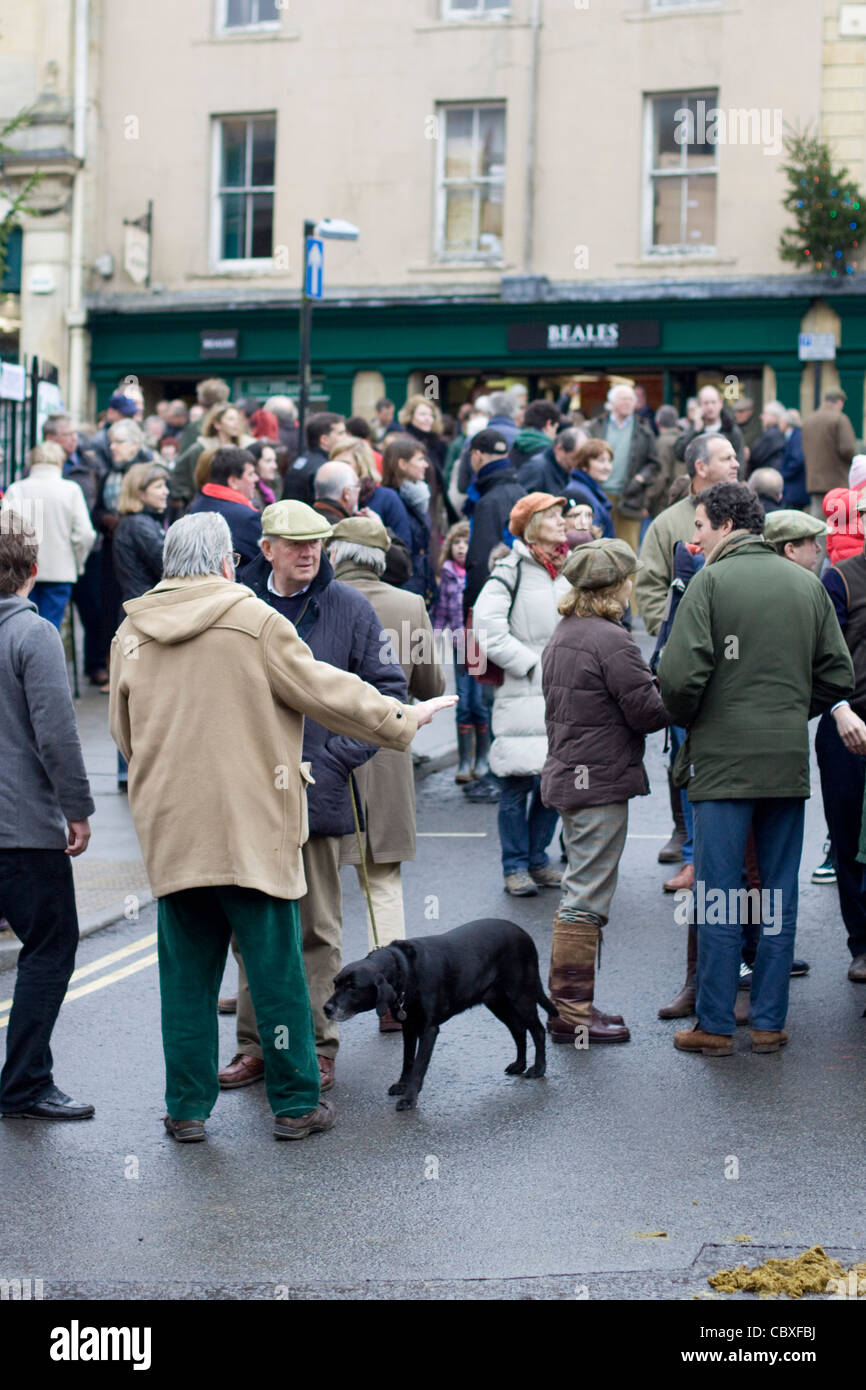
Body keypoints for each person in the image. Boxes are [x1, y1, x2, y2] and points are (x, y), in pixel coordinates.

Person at [110, 510, 453, 1141]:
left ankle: (186, 1110)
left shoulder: (131, 631)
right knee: (278, 972)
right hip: (253, 826)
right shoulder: (254, 621)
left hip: (172, 830)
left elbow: (124, 737)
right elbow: (329, 691)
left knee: (186, 982)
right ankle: (296, 1104)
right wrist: (402, 718)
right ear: (226, 562)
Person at [658, 482, 856, 1056]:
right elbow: (837, 677)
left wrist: (698, 718)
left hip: (721, 763)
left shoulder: (710, 583)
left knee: (720, 894)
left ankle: (716, 1026)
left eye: (698, 525)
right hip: (785, 761)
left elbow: (678, 678)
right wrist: (791, 709)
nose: (693, 537)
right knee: (776, 893)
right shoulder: (805, 584)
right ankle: (768, 1022)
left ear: (723, 525)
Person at [220, 501, 410, 1094]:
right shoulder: (237, 607)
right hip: (251, 796)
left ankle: (318, 1047)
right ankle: (255, 1048)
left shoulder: (349, 607)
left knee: (318, 932)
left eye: (318, 543)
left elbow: (389, 691)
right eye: (295, 544)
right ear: (267, 548)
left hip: (320, 795)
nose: (309, 553)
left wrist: (333, 762)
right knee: (254, 930)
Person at [541, 539, 670, 1043]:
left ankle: (572, 1006)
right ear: (618, 586)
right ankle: (572, 1012)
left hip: (573, 775)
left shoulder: (566, 632)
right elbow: (649, 712)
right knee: (585, 897)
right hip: (597, 782)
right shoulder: (611, 639)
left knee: (579, 888)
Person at [328, 513, 445, 1014]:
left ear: (336, 554)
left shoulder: (312, 603)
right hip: (386, 755)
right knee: (383, 883)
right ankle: (394, 999)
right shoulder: (408, 604)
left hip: (320, 758)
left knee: (317, 890)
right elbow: (431, 687)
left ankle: (317, 999)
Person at [0, 512, 95, 1121]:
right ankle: (25, 1083)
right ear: (32, 572)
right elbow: (57, 737)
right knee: (50, 947)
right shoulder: (31, 635)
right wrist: (78, 810)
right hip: (21, 828)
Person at [471, 493, 570, 897]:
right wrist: (530, 664)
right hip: (522, 692)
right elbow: (486, 628)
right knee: (516, 782)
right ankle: (514, 866)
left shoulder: (563, 568)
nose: (563, 522)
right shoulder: (508, 573)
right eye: (554, 517)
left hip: (562, 693)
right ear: (532, 527)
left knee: (553, 782)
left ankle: (537, 859)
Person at [818, 490, 866, 984]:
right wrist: (839, 708)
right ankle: (862, 943)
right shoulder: (839, 580)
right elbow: (822, 655)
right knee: (849, 836)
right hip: (848, 722)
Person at [635, 433, 741, 637]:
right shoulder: (666, 524)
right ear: (701, 467)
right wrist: (676, 637)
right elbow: (650, 589)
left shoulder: (748, 516)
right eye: (726, 459)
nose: (736, 464)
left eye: (734, 457)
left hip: (739, 644)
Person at [42, 413, 108, 685]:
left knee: (93, 607)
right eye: (67, 434)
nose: (74, 439)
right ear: (51, 438)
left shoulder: (89, 461)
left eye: (74, 433)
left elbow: (100, 497)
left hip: (88, 546)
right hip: (57, 548)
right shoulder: (41, 463)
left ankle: (94, 664)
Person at [2, 443, 95, 631]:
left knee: (18, 625)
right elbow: (85, 534)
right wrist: (77, 563)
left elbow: (7, 532)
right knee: (50, 627)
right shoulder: (71, 490)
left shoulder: (18, 489)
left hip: (22, 571)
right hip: (59, 570)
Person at [431, 519, 489, 783]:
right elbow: (441, 610)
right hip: (459, 647)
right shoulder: (448, 574)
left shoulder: (480, 573)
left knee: (480, 703)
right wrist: (432, 637)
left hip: (481, 646)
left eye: (466, 542)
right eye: (457, 542)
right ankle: (464, 761)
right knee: (463, 703)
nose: (462, 548)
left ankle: (483, 758)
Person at [585, 385, 659, 552]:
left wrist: (640, 479)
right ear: (611, 402)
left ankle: (629, 580)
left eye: (631, 399)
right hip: (599, 494)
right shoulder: (596, 426)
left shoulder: (644, 429)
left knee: (628, 550)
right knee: (598, 547)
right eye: (623, 398)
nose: (628, 402)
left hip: (631, 496)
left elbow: (654, 464)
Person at [462, 429, 526, 616]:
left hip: (493, 601)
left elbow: (480, 561)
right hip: (516, 593)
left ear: (478, 455)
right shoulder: (520, 491)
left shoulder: (488, 501)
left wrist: (470, 609)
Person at [188, 445, 261, 572]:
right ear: (233, 481)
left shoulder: (197, 505)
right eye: (250, 474)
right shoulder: (247, 517)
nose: (256, 478)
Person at [379, 436, 435, 603]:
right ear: (402, 464)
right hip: (401, 589)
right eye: (420, 459)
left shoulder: (419, 499)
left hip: (420, 586)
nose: (426, 465)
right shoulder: (387, 499)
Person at [170, 402, 249, 512]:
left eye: (238, 419)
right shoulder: (201, 448)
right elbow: (191, 480)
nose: (236, 423)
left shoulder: (241, 449)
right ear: (217, 424)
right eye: (231, 419)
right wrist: (187, 497)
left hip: (234, 503)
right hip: (207, 506)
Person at [112, 464, 169, 603]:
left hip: (142, 602)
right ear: (140, 493)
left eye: (165, 486)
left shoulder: (141, 521)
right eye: (158, 487)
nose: (166, 491)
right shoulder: (139, 525)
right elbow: (166, 564)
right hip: (144, 606)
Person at [802, 389, 857, 517]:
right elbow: (847, 449)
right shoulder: (840, 419)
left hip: (814, 481)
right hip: (837, 480)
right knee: (839, 521)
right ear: (839, 402)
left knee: (818, 519)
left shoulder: (809, 419)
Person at [674, 384, 746, 472]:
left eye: (713, 402)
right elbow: (680, 455)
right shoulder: (694, 429)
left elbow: (740, 462)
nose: (710, 407)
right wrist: (695, 430)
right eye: (706, 403)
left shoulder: (732, 431)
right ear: (699, 406)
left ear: (720, 404)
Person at [282, 412, 348, 504]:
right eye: (341, 433)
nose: (346, 437)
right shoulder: (324, 468)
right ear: (324, 440)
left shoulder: (301, 460)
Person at [562, 439, 615, 537]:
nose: (607, 467)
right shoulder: (578, 493)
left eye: (609, 461)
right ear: (584, 465)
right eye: (601, 461)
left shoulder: (592, 490)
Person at [516, 425, 583, 498]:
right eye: (574, 458)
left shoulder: (565, 472)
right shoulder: (536, 468)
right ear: (559, 449)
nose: (578, 465)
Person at [644, 405, 683, 521]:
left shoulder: (662, 443)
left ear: (657, 422)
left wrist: (647, 501)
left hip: (664, 502)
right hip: (682, 498)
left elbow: (661, 476)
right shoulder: (683, 440)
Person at [509, 400, 561, 473]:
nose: (555, 435)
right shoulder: (549, 454)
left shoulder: (514, 446)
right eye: (556, 429)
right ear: (548, 424)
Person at [312, 460, 361, 525]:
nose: (359, 491)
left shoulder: (304, 519)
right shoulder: (343, 530)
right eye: (357, 486)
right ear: (347, 493)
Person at [745, 401, 786, 476]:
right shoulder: (777, 432)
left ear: (774, 417)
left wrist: (748, 453)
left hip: (767, 476)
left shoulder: (771, 435)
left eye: (765, 414)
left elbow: (755, 456)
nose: (761, 417)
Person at [780, 407, 808, 510]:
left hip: (795, 488)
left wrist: (784, 473)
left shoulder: (796, 436)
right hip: (795, 487)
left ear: (786, 423)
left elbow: (798, 459)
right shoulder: (795, 435)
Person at [247, 439, 280, 510]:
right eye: (268, 461)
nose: (275, 466)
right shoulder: (251, 494)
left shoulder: (274, 485)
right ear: (254, 464)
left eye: (275, 460)